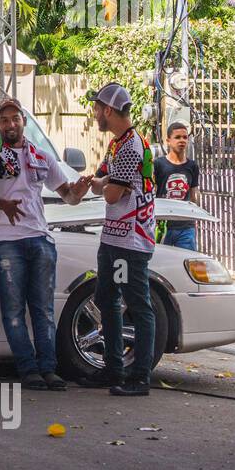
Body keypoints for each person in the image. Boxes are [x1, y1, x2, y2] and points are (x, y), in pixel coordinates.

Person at [0, 98, 91, 391]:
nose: (11, 124)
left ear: (23, 120)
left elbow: (68, 196)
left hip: (39, 238)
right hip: (5, 240)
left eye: (15, 118)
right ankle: (28, 370)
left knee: (43, 310)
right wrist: (3, 204)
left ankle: (48, 370)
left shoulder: (42, 157)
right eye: (4, 120)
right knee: (13, 311)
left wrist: (78, 192)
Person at [84, 82, 157, 396]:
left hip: (130, 241)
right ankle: (113, 369)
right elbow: (96, 180)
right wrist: (100, 183)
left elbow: (110, 193)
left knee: (138, 306)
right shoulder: (117, 144)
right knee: (107, 300)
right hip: (114, 239)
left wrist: (101, 184)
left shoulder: (131, 147)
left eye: (97, 108)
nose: (95, 114)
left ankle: (140, 377)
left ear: (109, 111)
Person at [154, 121, 201, 251]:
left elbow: (194, 194)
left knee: (187, 261)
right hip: (163, 225)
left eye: (185, 137)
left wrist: (194, 218)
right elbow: (153, 192)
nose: (182, 140)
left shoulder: (192, 166)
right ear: (168, 141)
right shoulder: (159, 164)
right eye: (177, 137)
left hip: (186, 226)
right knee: (161, 263)